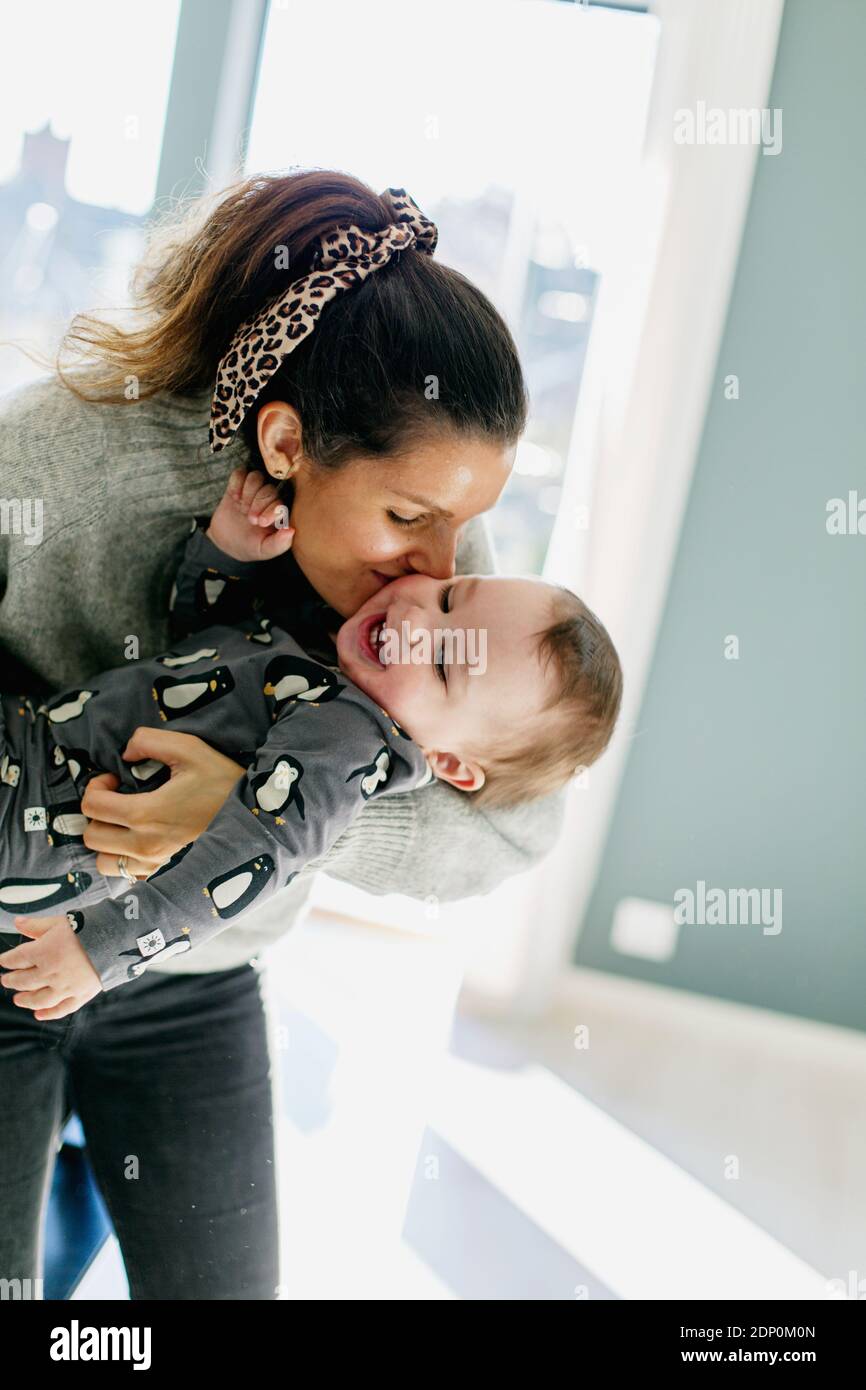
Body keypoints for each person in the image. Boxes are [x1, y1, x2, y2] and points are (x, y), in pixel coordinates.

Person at [0, 170, 568, 1299]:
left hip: (192, 975)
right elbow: (200, 645)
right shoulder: (58, 461)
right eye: (407, 517)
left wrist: (248, 812)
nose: (442, 569)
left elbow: (514, 830)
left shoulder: (434, 598)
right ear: (284, 441)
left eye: (465, 528)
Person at [0, 465, 622, 1011]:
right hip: (29, 734)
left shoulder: (347, 742)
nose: (415, 622)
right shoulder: (333, 652)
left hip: (38, 822)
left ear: (449, 761)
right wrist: (229, 557)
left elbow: (243, 866)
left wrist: (102, 952)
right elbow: (193, 663)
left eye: (441, 665)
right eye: (451, 600)